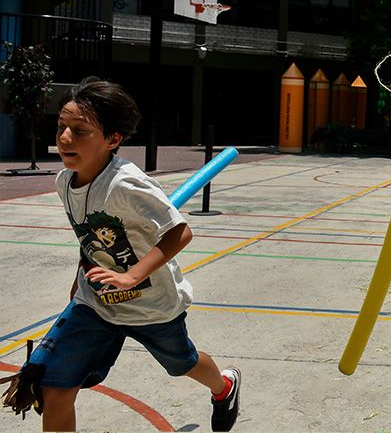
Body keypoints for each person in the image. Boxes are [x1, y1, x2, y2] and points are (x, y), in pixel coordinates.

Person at [39, 78, 241, 432]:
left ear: (113, 139)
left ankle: (223, 386)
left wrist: (132, 275)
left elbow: (180, 231)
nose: (65, 138)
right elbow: (88, 238)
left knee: (184, 363)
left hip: (151, 306)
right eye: (61, 127)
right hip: (96, 305)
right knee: (55, 388)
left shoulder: (126, 183)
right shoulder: (64, 182)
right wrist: (78, 285)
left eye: (80, 131)